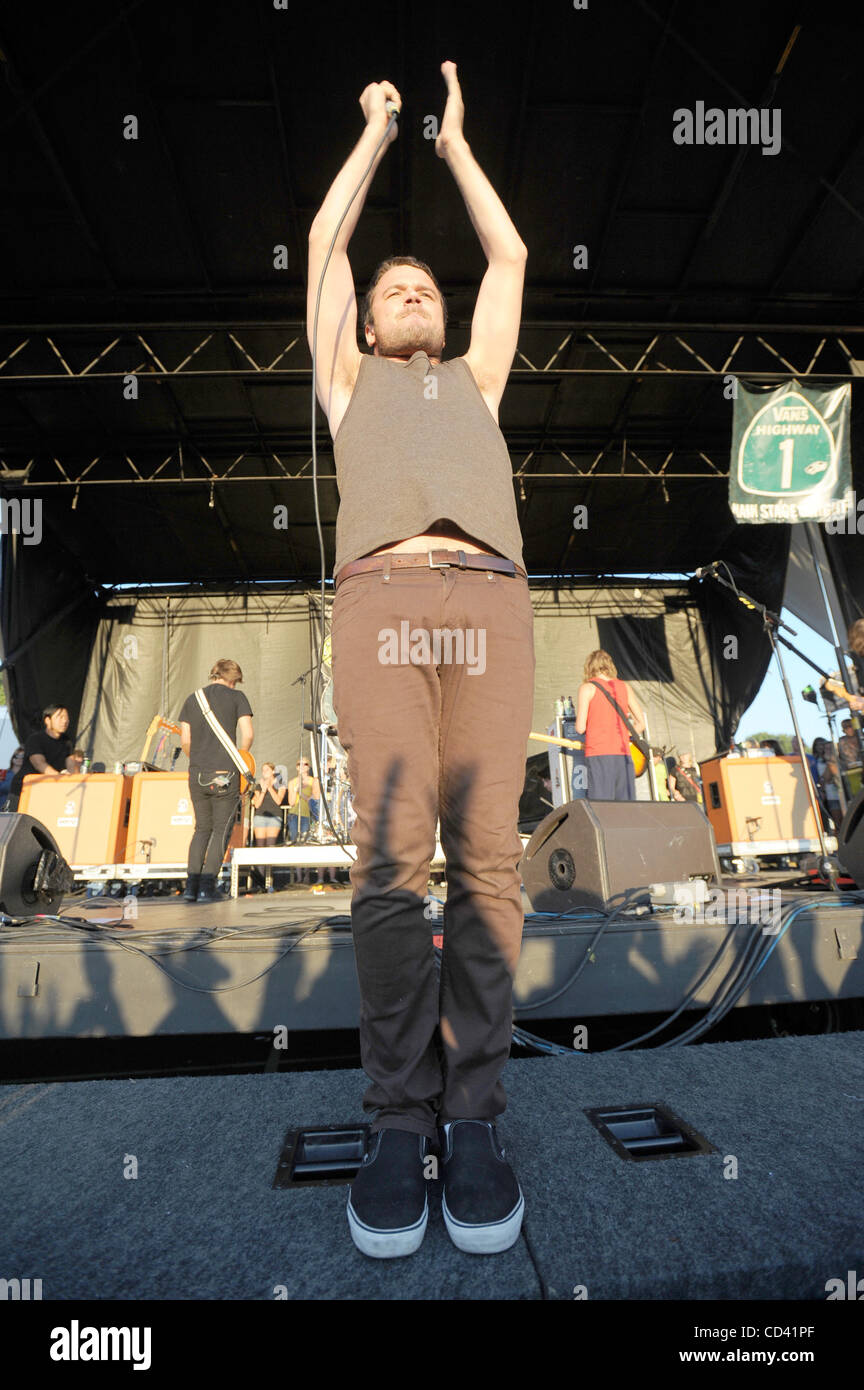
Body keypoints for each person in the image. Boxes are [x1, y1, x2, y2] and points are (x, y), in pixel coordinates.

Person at [308, 63, 534, 1258]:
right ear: (365, 319)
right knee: (394, 868)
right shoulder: (347, 383)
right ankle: (402, 1119)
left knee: (488, 864)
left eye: (419, 285)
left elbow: (508, 260)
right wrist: (376, 131)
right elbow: (324, 240)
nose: (408, 289)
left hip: (491, 603)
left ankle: (477, 1115)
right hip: (383, 599)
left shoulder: (477, 383)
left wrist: (452, 147)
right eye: (392, 286)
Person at [178, 659, 253, 904]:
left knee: (201, 829)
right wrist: (240, 757)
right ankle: (207, 888)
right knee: (221, 831)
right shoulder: (237, 697)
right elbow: (248, 734)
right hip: (226, 774)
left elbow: (185, 741)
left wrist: (202, 760)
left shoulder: (192, 699)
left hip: (198, 773)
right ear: (232, 679)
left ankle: (190, 888)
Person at [574, 651, 645, 801]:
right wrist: (625, 737)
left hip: (598, 753)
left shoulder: (587, 688)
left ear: (589, 667)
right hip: (623, 754)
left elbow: (580, 728)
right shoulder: (624, 687)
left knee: (602, 806)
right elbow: (641, 723)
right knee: (625, 806)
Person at [6, 707, 78, 810]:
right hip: (24, 788)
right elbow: (39, 764)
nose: (65, 721)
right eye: (60, 717)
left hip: (47, 788)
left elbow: (71, 764)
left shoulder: (67, 741)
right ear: (48, 720)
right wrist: (61, 780)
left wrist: (75, 780)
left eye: (66, 718)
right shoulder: (35, 739)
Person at [251, 762, 286, 847]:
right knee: (260, 845)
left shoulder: (280, 784)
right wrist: (263, 790)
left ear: (273, 771)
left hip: (274, 816)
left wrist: (269, 787)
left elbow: (278, 801)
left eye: (267, 769)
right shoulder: (259, 786)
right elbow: (257, 805)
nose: (264, 772)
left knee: (270, 845)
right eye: (263, 770)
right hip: (260, 816)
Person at [811, 737, 842, 830]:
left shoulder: (840, 760)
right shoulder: (820, 762)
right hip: (831, 795)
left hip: (842, 793)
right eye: (826, 748)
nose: (828, 750)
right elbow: (825, 778)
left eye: (830, 748)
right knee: (837, 822)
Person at [286, 759, 320, 842]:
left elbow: (312, 800)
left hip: (308, 816)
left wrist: (300, 792)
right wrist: (295, 789)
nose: (302, 766)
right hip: (294, 815)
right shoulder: (292, 782)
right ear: (296, 767)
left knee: (305, 841)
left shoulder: (313, 782)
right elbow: (291, 802)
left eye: (305, 764)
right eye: (299, 764)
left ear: (308, 767)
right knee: (294, 840)